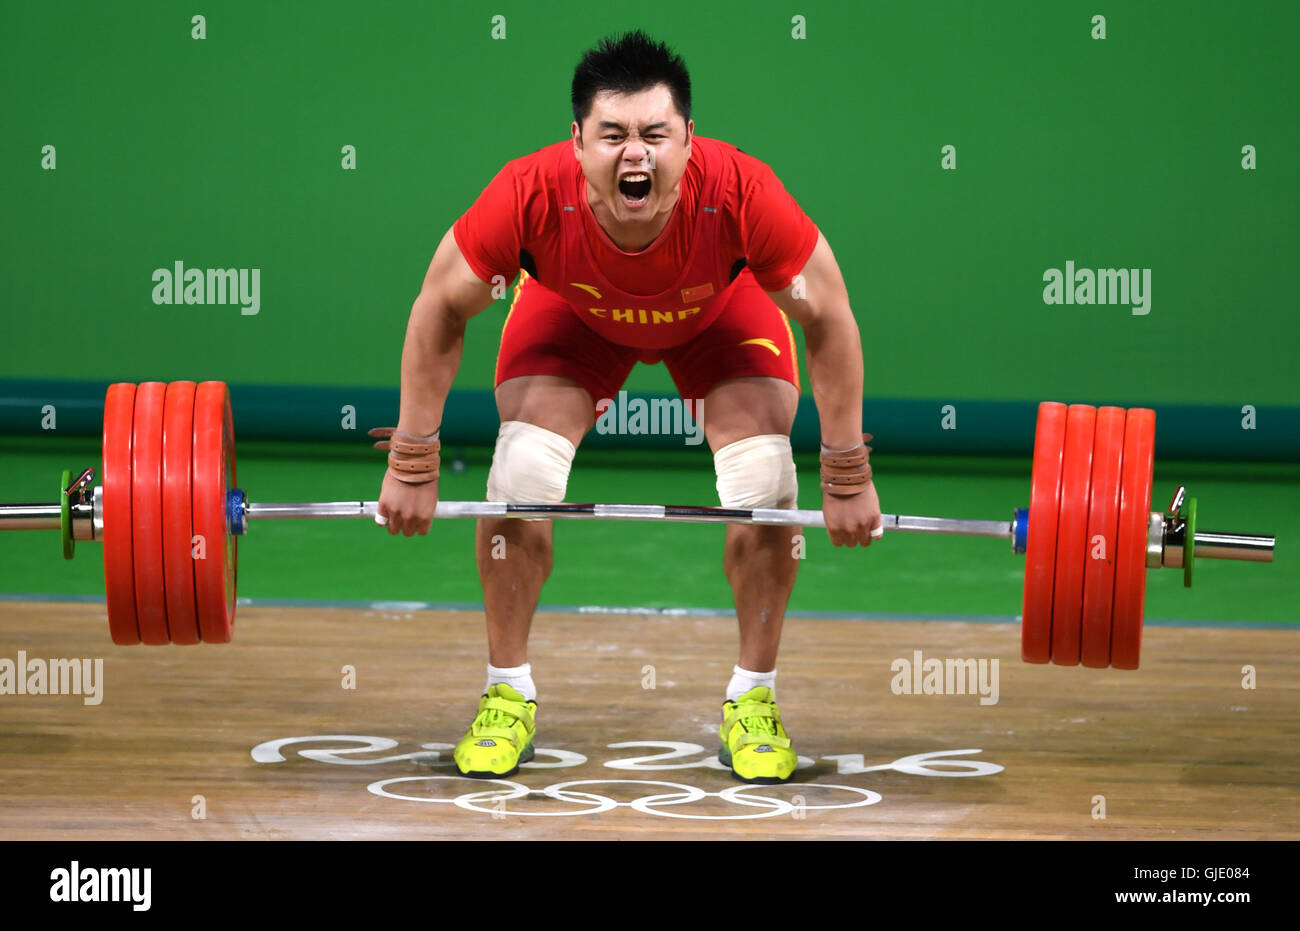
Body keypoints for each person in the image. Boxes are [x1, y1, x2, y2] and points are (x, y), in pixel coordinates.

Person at [374, 30, 882, 785]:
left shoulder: (741, 193)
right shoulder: (527, 195)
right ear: (576, 142)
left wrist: (844, 468)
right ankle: (507, 694)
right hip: (573, 316)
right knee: (521, 471)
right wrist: (414, 454)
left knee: (765, 482)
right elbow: (438, 307)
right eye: (612, 134)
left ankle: (754, 701)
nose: (635, 153)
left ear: (688, 140)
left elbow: (830, 315)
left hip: (719, 317)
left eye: (655, 133)